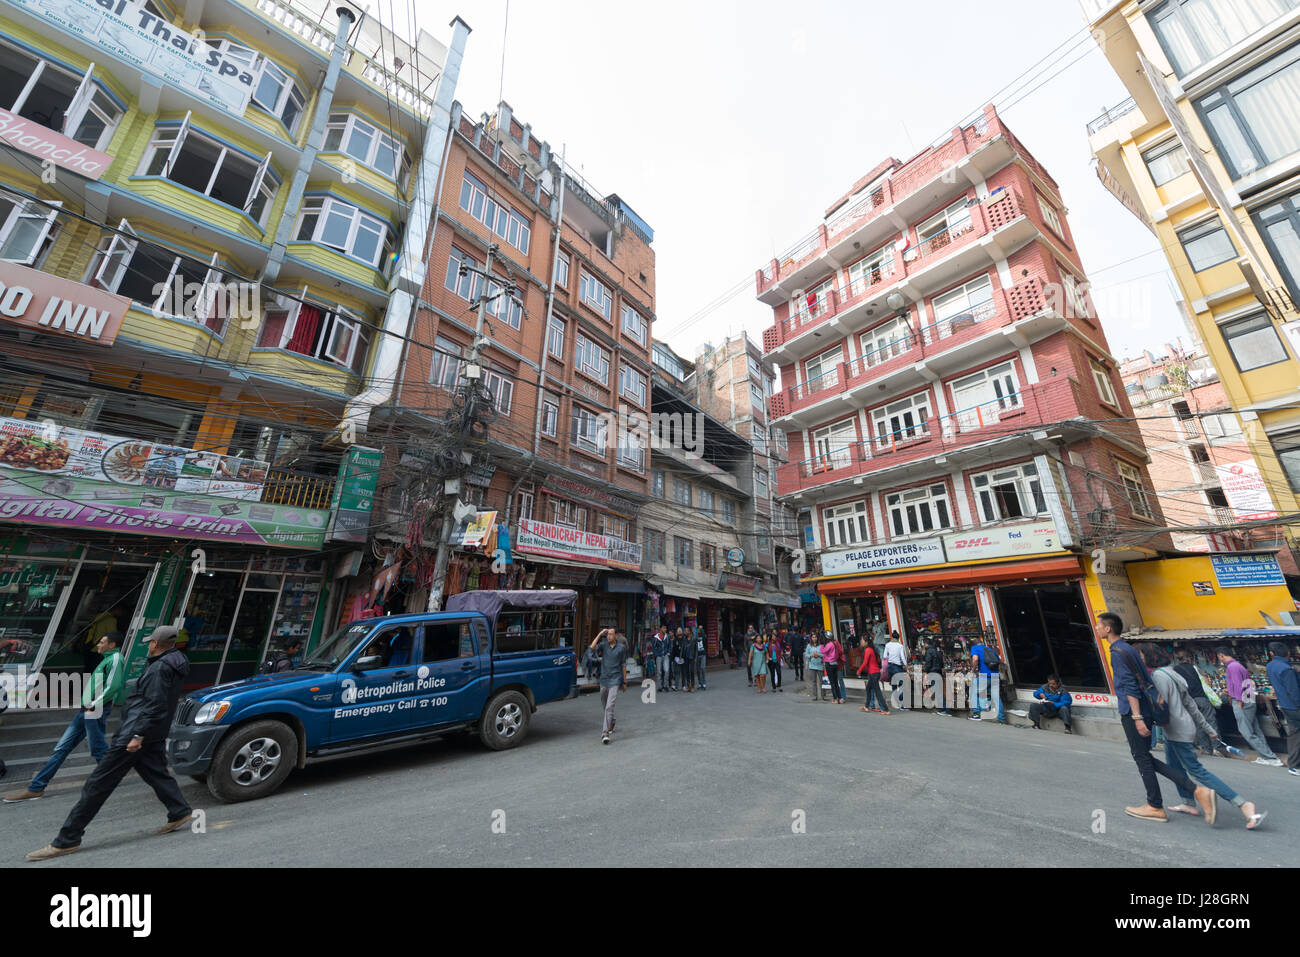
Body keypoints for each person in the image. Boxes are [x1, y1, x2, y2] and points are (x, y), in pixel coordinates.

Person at [26, 627, 194, 861]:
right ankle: (180, 810)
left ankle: (67, 839)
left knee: (97, 783)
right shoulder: (173, 662)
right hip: (151, 731)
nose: (148, 645)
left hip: (135, 733)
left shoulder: (160, 667)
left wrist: (137, 735)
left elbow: (154, 704)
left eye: (150, 642)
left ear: (157, 644)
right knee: (155, 771)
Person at [1145, 643, 1267, 830]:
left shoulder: (1158, 676)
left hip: (1177, 729)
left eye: (1140, 655)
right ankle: (1187, 802)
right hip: (1180, 728)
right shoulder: (1173, 672)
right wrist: (1207, 727)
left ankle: (1243, 804)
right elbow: (1191, 705)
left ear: (1148, 657)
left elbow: (1163, 706)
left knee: (1196, 771)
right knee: (1174, 766)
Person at [1100, 613, 1207, 824]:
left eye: (1098, 626)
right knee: (1143, 756)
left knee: (1142, 758)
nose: (1096, 629)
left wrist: (1137, 717)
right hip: (1143, 711)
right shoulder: (1129, 649)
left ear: (1107, 629)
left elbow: (1130, 686)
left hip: (1134, 712)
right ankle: (1193, 790)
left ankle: (1156, 805)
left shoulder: (1118, 653)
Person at [5, 632, 125, 803]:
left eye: (102, 642)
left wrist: (93, 705)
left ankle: (111, 778)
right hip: (86, 710)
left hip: (94, 710)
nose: (98, 644)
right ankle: (36, 788)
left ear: (111, 645)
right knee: (62, 749)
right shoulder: (107, 659)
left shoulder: (115, 659)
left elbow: (113, 686)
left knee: (98, 749)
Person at [1217, 647, 1283, 766]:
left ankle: (1271, 757)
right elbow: (1243, 684)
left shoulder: (1232, 667)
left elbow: (1238, 685)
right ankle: (1266, 756)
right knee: (1255, 730)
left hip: (1242, 701)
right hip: (1248, 699)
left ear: (1221, 655)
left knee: (1247, 732)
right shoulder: (1238, 666)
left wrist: (1239, 701)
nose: (1219, 660)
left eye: (1219, 657)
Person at [1173, 650, 1220, 755]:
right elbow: (1205, 680)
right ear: (1188, 658)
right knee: (1211, 722)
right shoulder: (1194, 667)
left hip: (1189, 701)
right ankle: (1217, 748)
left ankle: (1207, 749)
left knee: (1198, 725)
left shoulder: (1175, 670)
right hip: (1202, 698)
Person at [1264, 642, 1300, 775]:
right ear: (1288, 653)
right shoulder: (1287, 669)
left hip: (1285, 706)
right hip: (1295, 707)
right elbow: (1293, 692)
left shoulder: (1270, 666)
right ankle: (1294, 766)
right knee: (1295, 735)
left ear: (1272, 653)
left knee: (1295, 735)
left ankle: (1294, 765)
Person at [590, 628, 627, 745]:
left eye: (611, 634)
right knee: (605, 703)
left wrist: (624, 682)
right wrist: (600, 633)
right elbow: (591, 648)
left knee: (609, 706)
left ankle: (605, 733)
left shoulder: (621, 648)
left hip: (615, 680)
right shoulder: (604, 645)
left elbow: (624, 665)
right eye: (607, 635)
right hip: (604, 679)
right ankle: (612, 721)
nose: (609, 636)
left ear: (615, 636)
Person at [968, 637, 1006, 723]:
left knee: (973, 691)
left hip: (985, 676)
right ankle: (1002, 719)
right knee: (996, 697)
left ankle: (976, 714)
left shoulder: (975, 648)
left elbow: (975, 659)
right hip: (995, 676)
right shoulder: (989, 649)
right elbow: (999, 661)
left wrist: (973, 670)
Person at [858, 640, 888, 715]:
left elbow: (865, 662)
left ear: (866, 642)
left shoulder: (868, 650)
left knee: (877, 691)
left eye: (862, 641)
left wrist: (859, 670)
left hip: (873, 673)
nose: (861, 642)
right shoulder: (873, 649)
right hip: (875, 672)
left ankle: (885, 709)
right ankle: (867, 706)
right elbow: (878, 660)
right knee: (868, 688)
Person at [923, 637, 952, 716]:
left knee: (938, 692)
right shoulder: (937, 651)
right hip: (939, 673)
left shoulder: (928, 651)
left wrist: (925, 671)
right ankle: (945, 709)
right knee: (941, 692)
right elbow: (942, 663)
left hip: (933, 673)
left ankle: (943, 709)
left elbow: (928, 662)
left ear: (925, 644)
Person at [822, 632, 845, 705]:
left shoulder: (829, 644)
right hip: (835, 663)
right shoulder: (835, 643)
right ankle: (840, 697)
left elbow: (823, 651)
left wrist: (821, 646)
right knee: (836, 682)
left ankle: (835, 698)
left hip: (829, 663)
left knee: (832, 682)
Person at [652, 626, 671, 692]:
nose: (665, 629)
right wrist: (656, 654)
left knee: (666, 670)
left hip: (666, 655)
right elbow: (653, 648)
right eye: (663, 628)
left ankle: (666, 686)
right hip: (659, 656)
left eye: (666, 628)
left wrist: (669, 652)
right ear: (660, 629)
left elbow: (670, 645)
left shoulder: (667, 636)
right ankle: (659, 687)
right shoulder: (656, 637)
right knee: (659, 672)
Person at [806, 635, 825, 701]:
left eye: (815, 637)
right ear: (811, 638)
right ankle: (815, 696)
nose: (814, 638)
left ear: (817, 638)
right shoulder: (809, 646)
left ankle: (823, 696)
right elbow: (806, 654)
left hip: (820, 665)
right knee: (814, 681)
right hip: (812, 666)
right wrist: (812, 655)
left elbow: (824, 654)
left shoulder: (821, 646)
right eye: (813, 637)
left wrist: (819, 655)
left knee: (822, 681)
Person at [679, 626, 697, 693]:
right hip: (686, 657)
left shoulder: (694, 638)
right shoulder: (684, 639)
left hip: (692, 657)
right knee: (686, 671)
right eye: (685, 631)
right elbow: (682, 648)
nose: (685, 632)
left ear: (689, 631)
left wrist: (696, 658)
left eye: (686, 631)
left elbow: (696, 649)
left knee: (691, 671)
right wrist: (680, 657)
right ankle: (688, 686)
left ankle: (692, 686)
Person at [768, 628, 784, 693]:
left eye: (775, 636)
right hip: (771, 661)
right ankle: (774, 687)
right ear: (771, 638)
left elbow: (780, 650)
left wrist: (781, 654)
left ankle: (779, 686)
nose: (775, 638)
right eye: (773, 636)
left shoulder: (777, 643)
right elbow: (765, 652)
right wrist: (767, 658)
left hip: (777, 660)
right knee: (772, 674)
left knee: (779, 673)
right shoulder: (767, 644)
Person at [694, 626, 708, 691]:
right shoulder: (695, 638)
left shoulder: (704, 637)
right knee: (698, 670)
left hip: (703, 655)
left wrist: (701, 629)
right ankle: (700, 683)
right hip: (697, 655)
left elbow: (705, 642)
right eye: (698, 629)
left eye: (699, 630)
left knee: (702, 668)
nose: (698, 631)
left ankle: (704, 683)